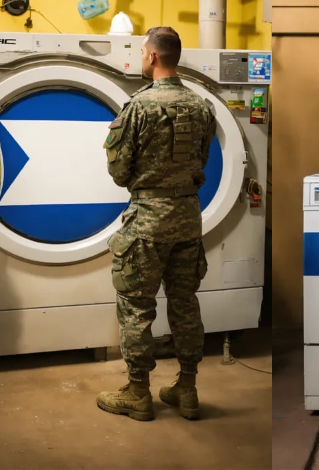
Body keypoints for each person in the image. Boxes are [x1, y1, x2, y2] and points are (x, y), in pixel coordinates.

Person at [97, 26, 215, 422]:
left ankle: (137, 392)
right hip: (187, 220)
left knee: (136, 308)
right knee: (185, 302)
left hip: (146, 223)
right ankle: (188, 387)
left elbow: (117, 169)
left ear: (151, 57)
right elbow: (202, 162)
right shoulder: (202, 106)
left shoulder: (139, 107)